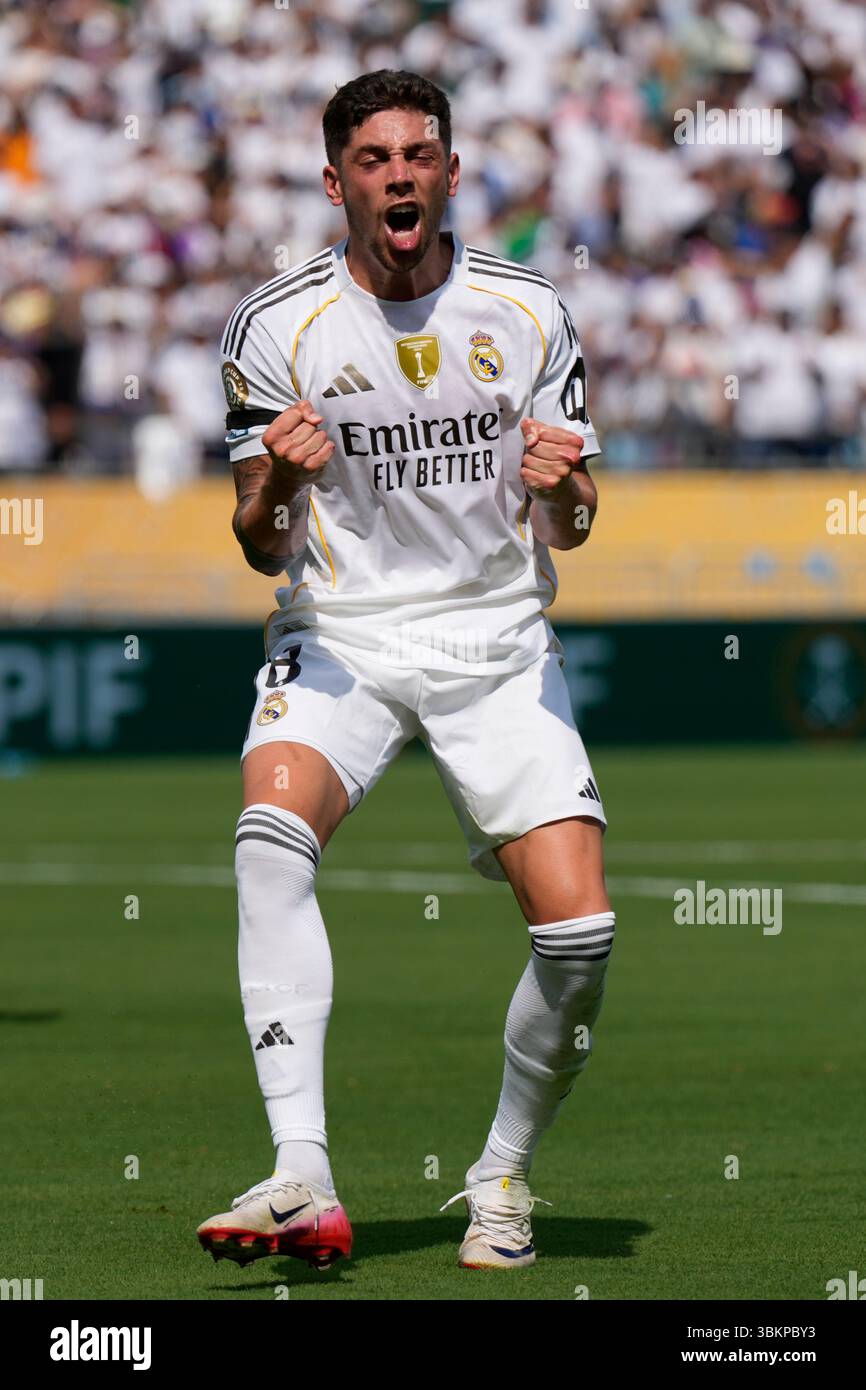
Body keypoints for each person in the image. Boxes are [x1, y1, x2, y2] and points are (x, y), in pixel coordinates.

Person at [196, 69, 615, 1273]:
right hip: (342, 634)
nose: (398, 174)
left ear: (447, 172)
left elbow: (572, 528)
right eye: (373, 158)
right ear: (337, 183)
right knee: (267, 833)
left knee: (579, 936)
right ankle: (301, 1174)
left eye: (417, 154)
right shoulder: (275, 327)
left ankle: (499, 1175)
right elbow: (259, 541)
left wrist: (566, 489)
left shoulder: (528, 310)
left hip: (494, 640)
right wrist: (277, 481)